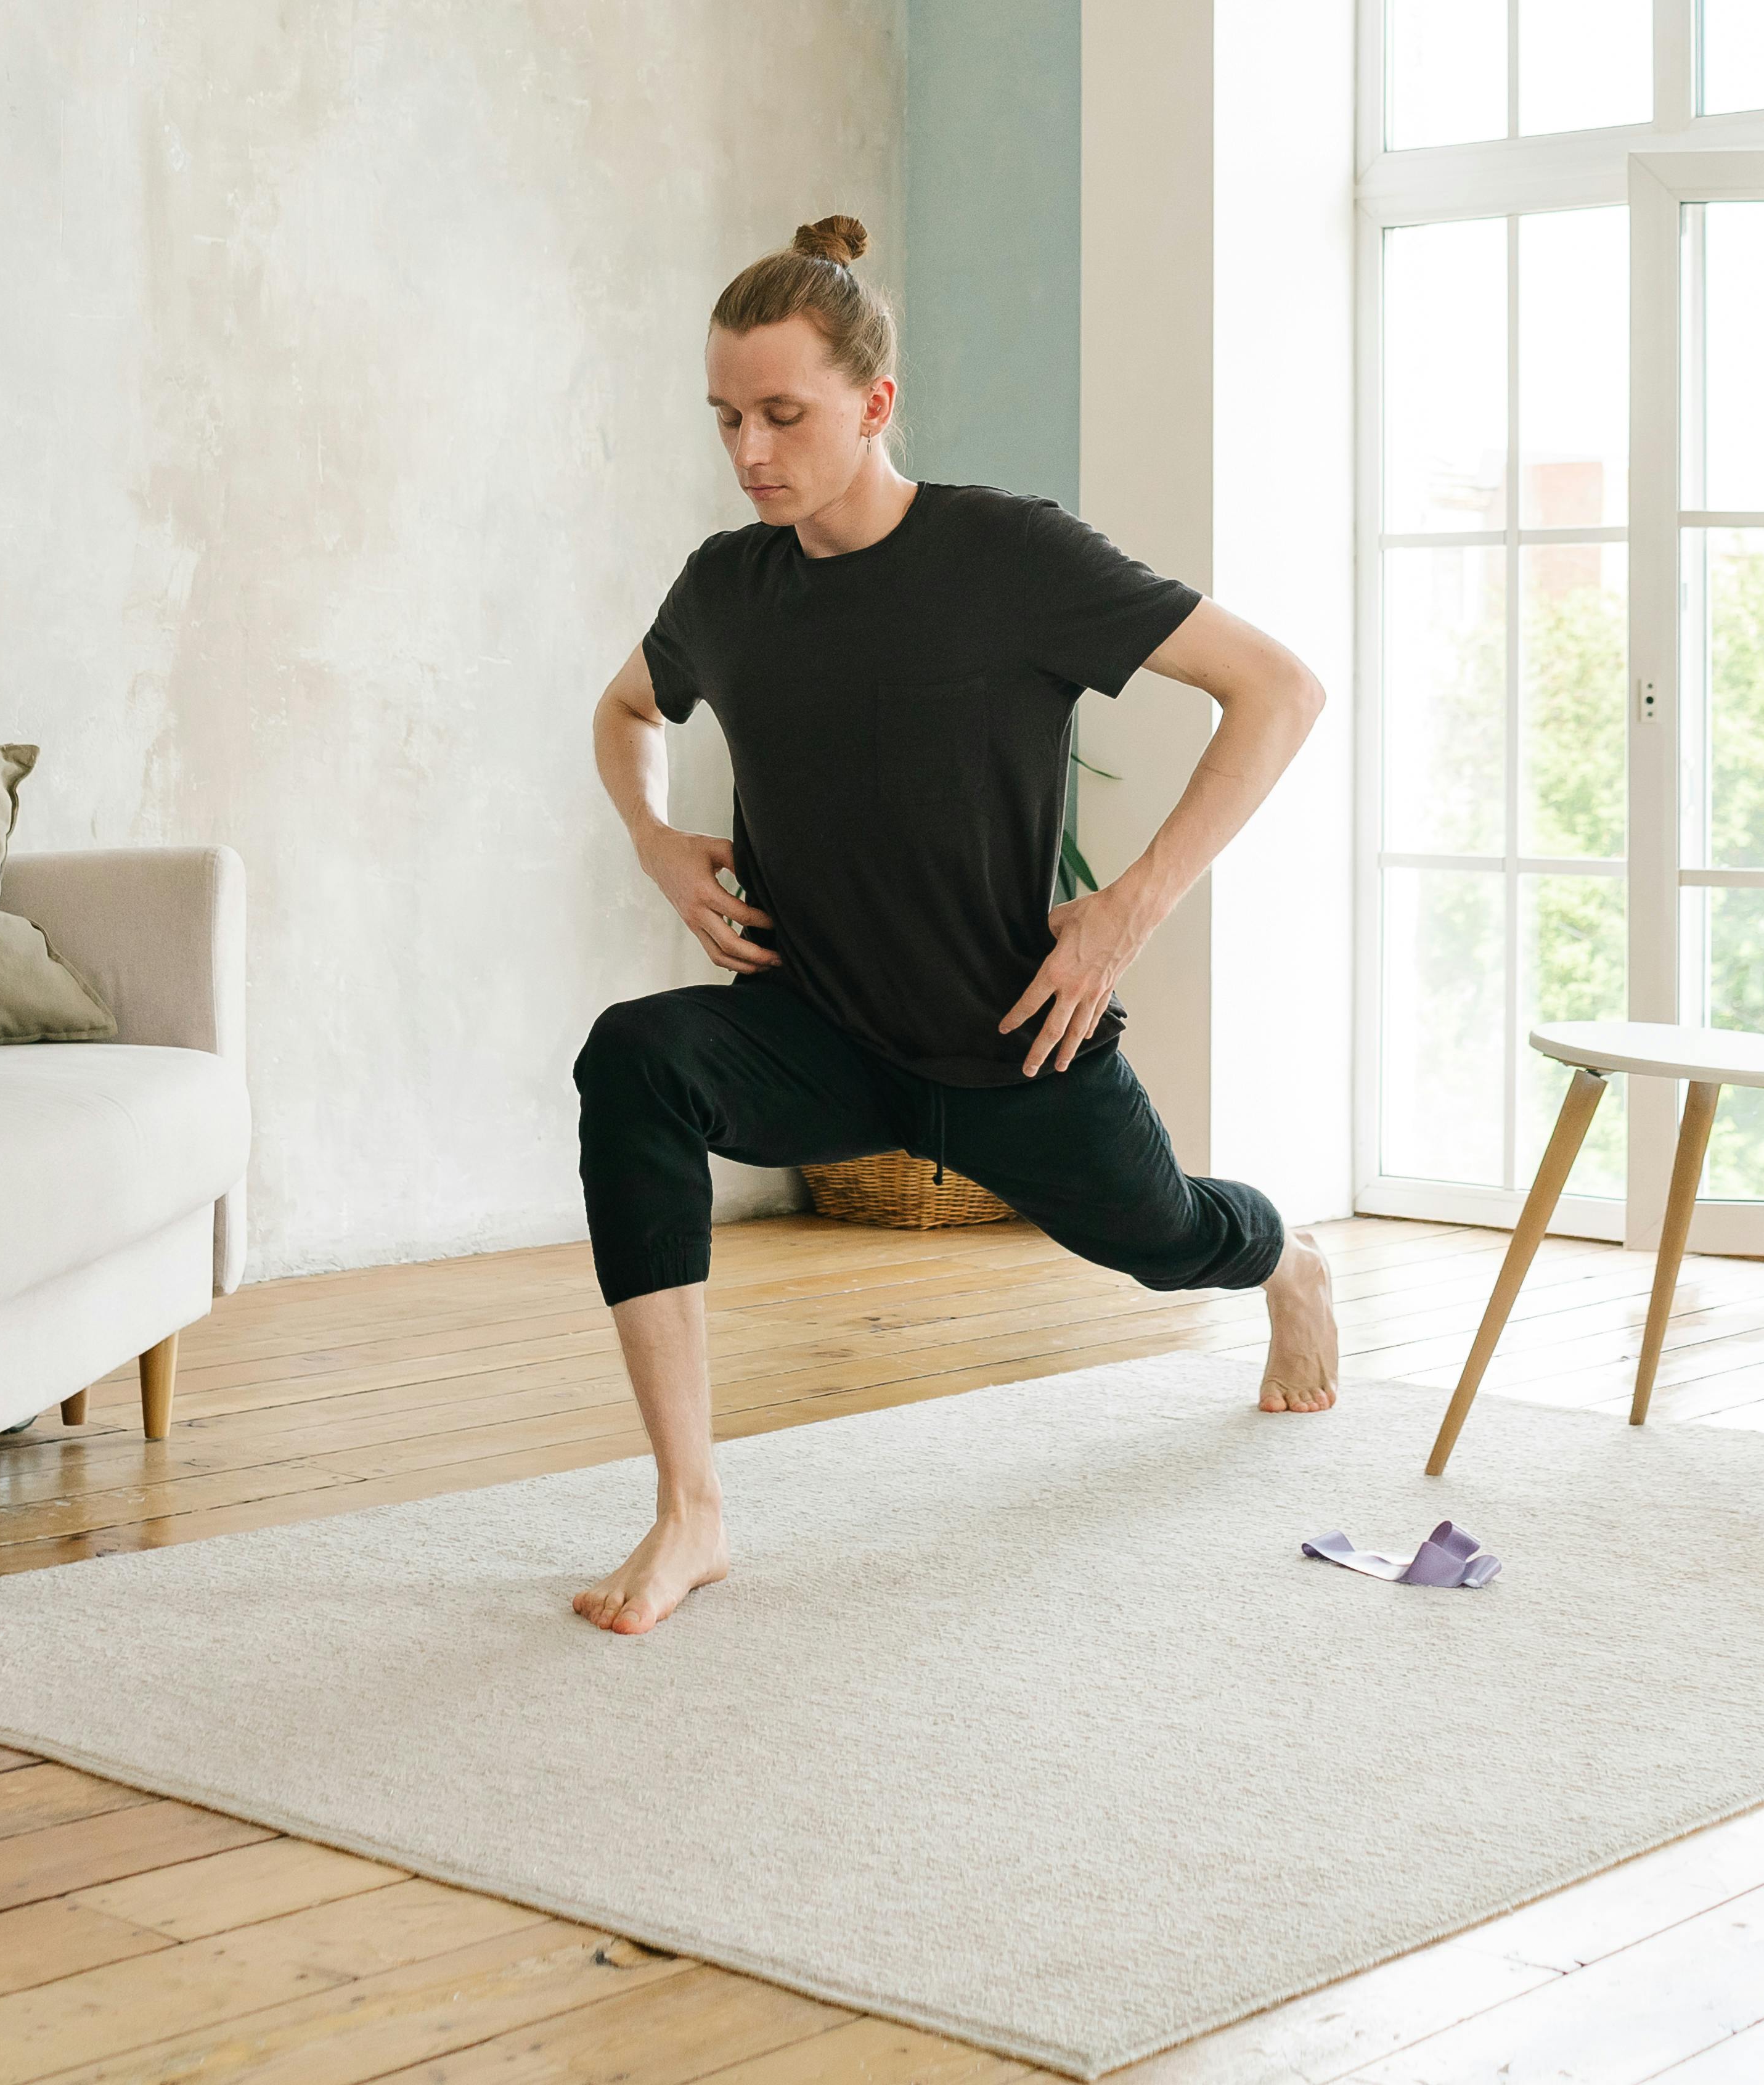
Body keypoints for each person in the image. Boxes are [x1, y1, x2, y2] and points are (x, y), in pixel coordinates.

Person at [571, 217, 1335, 1634]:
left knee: (1169, 1241)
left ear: (874, 403)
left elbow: (1278, 690)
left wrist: (1129, 908)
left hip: (1009, 1040)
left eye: (783, 415)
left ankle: (1287, 1262)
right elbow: (627, 712)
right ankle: (691, 1510)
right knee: (634, 1059)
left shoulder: (1008, 556)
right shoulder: (725, 587)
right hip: (815, 1032)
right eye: (726, 418)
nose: (748, 453)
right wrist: (657, 843)